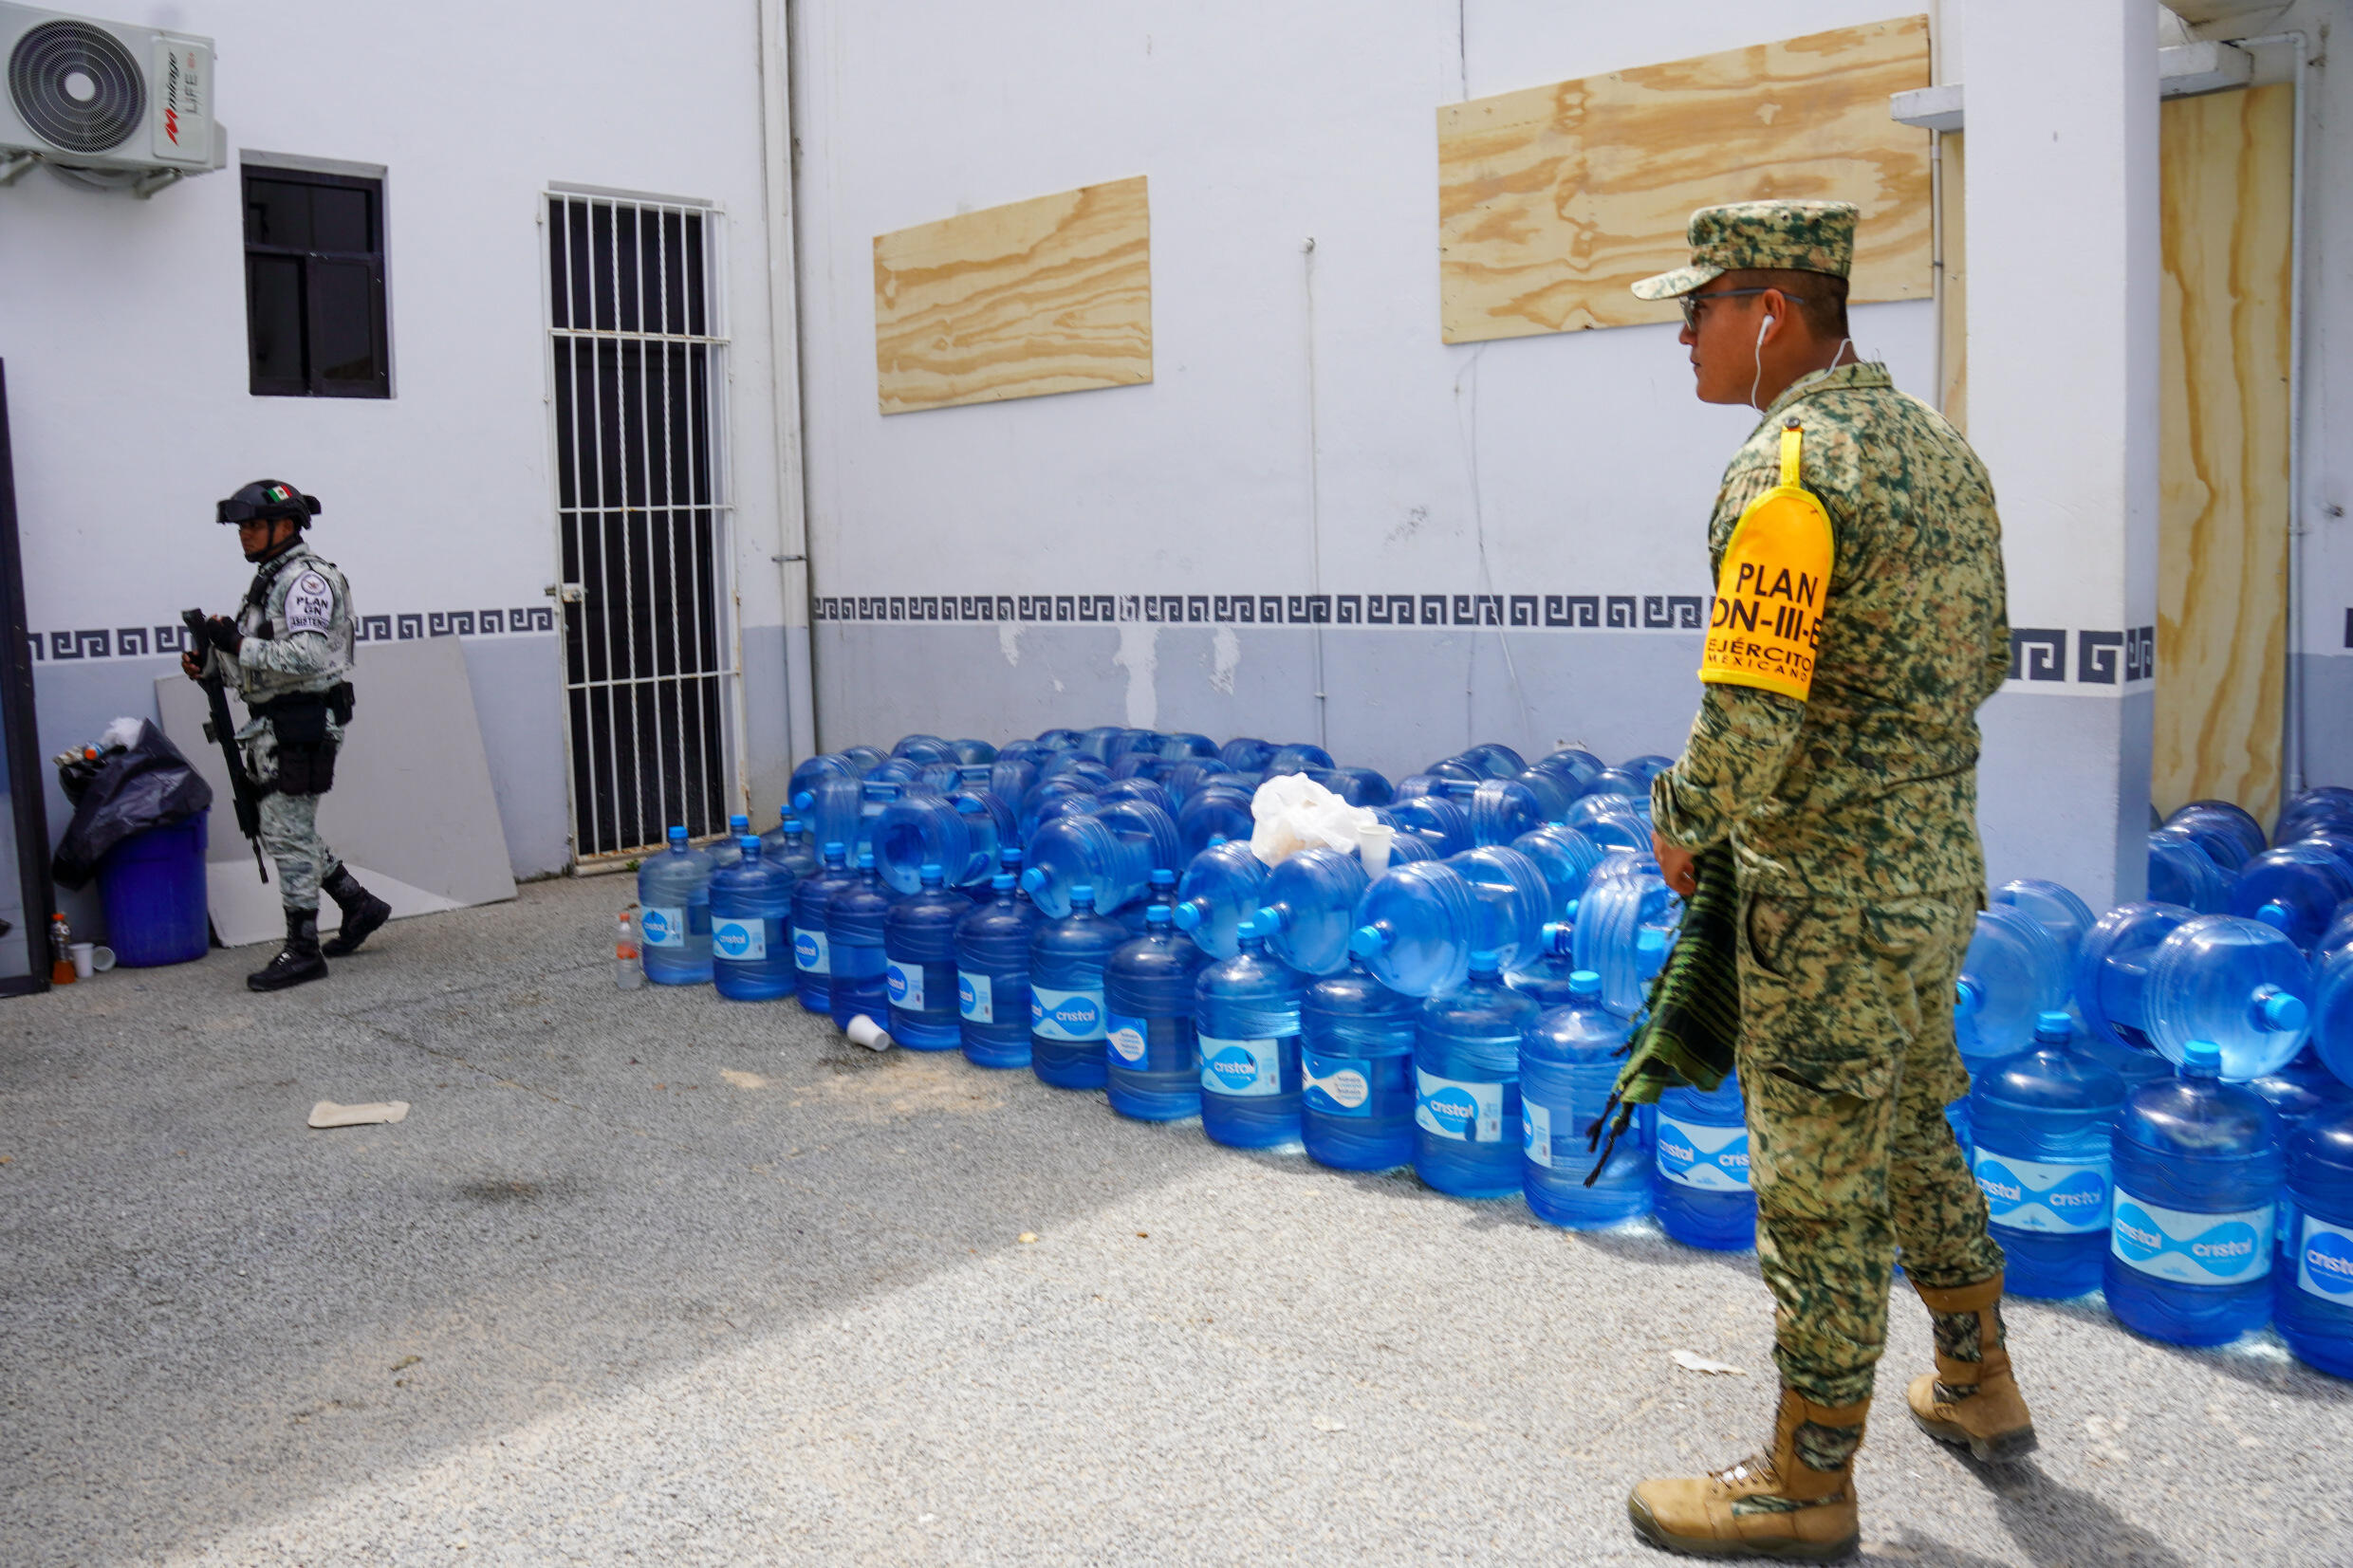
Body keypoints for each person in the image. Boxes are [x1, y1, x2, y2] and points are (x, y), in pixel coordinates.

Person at [1622, 202, 2023, 1560]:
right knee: (1908, 1128)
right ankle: (1975, 1376)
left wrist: (1679, 821)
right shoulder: (1940, 454)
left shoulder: (1787, 472)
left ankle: (1804, 1481)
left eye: (1700, 308)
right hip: (1934, 875)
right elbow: (1986, 659)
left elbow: (1747, 721)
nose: (1685, 335)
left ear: (1772, 312)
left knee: (1816, 1190)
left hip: (1826, 908)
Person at [184, 480, 392, 990]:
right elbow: (263, 662)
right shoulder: (269, 580)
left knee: (286, 832)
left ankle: (303, 949)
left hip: (303, 721)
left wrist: (235, 642)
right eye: (241, 527)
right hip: (273, 722)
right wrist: (213, 664)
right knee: (285, 826)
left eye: (254, 525)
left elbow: (306, 656)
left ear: (287, 525)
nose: (244, 534)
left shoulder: (306, 581)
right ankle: (358, 904)